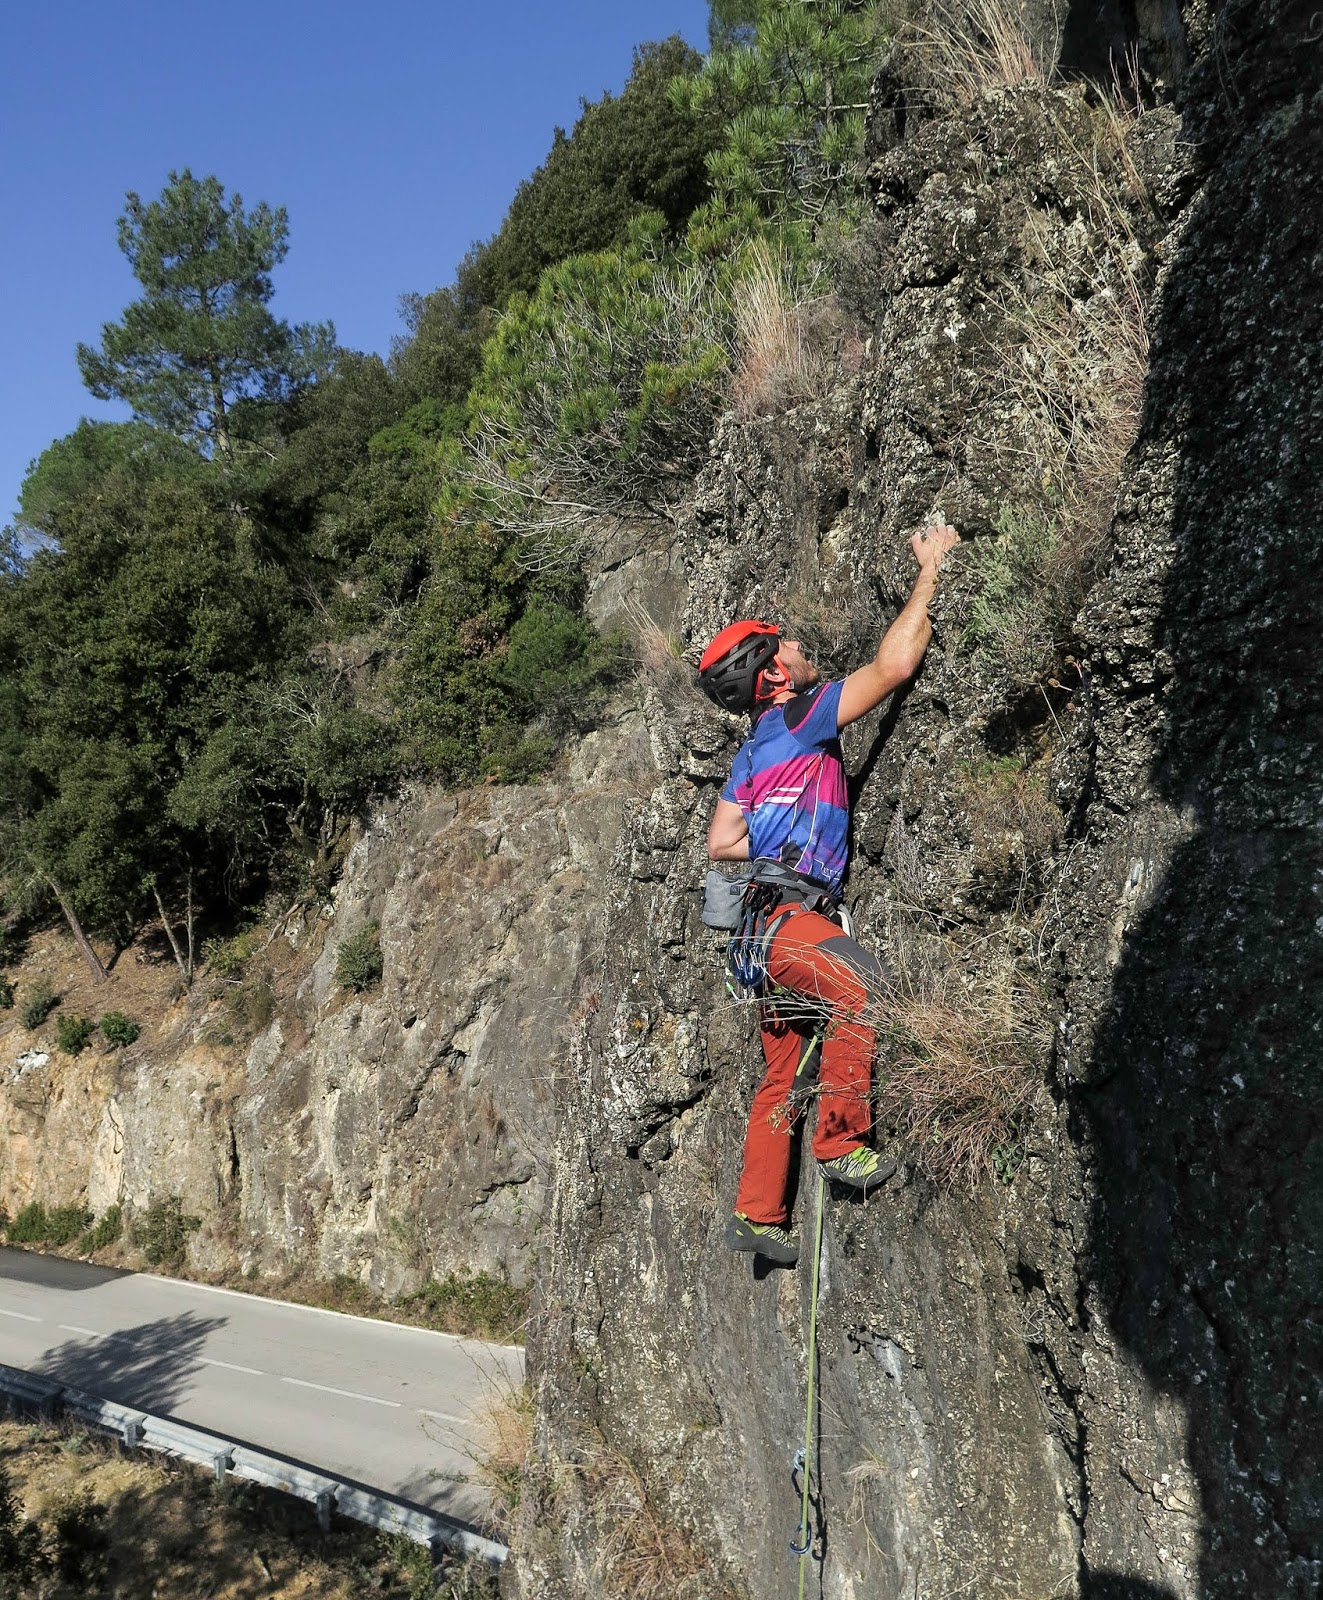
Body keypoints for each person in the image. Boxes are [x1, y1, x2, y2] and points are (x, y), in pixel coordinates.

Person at [699, 523, 959, 1264]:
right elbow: (894, 662)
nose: (796, 645)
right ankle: (842, 1144)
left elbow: (721, 842)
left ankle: (757, 1216)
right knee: (864, 985)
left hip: (758, 937)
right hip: (789, 923)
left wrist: (779, 830)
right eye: (783, 643)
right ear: (773, 671)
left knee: (781, 1070)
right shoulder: (799, 717)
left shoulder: (751, 752)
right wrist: (930, 569)